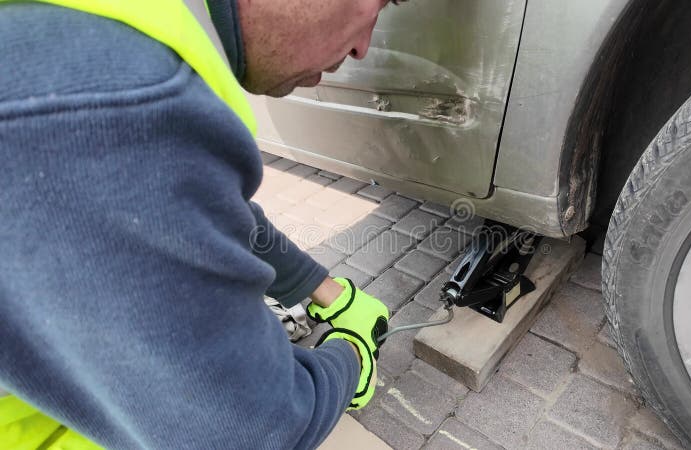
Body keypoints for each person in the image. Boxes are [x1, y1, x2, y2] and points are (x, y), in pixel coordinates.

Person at [0, 0, 403, 448]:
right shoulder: (118, 104)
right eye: (380, 2)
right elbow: (256, 429)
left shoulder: (107, 39)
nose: (364, 47)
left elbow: (204, 216)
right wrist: (351, 352)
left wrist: (330, 292)